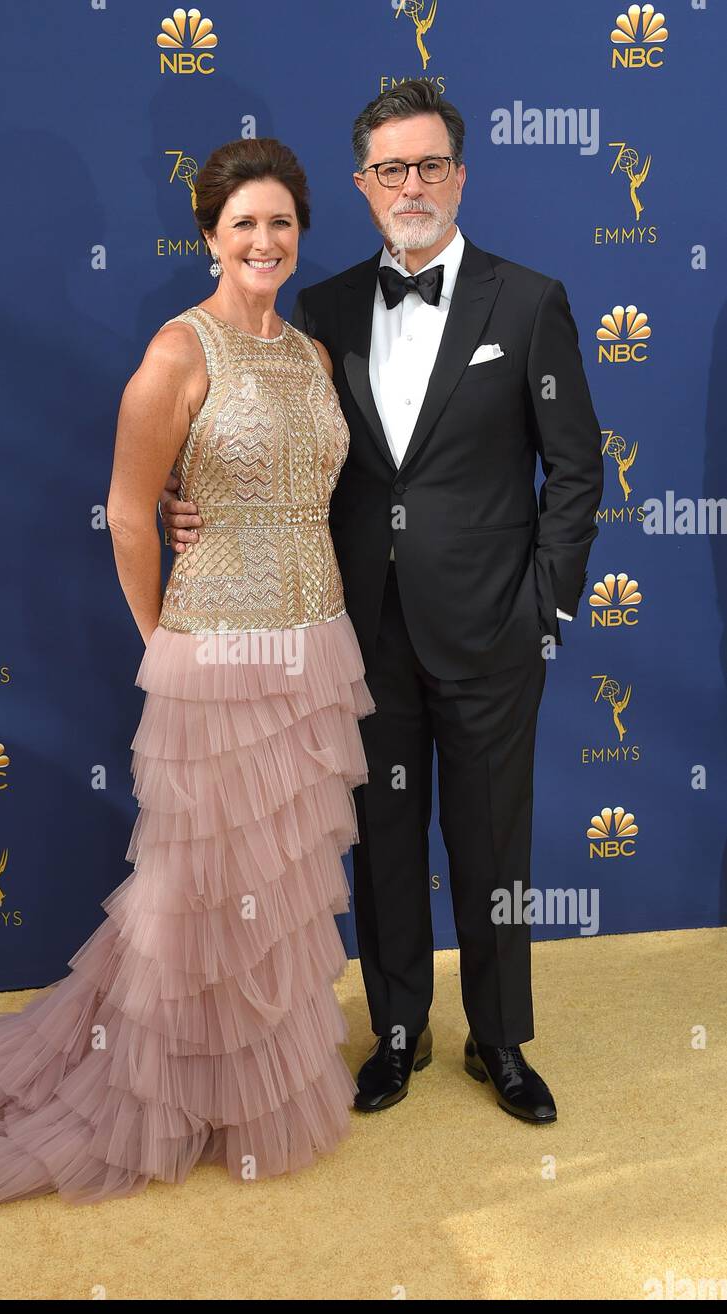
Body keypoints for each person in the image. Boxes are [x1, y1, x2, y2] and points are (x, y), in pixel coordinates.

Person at [0, 137, 377, 1207]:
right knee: (198, 893)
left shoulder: (308, 358)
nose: (262, 241)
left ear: (299, 229)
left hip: (310, 642)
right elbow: (131, 511)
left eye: (278, 221)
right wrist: (156, 636)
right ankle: (159, 1094)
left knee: (276, 887)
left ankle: (248, 1091)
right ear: (207, 236)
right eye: (241, 224)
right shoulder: (179, 351)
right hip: (213, 650)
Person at [162, 81, 604, 1125]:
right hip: (358, 628)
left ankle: (497, 1038)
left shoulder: (528, 300)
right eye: (389, 169)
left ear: (460, 173)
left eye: (429, 165)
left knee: (493, 845)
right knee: (384, 836)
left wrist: (543, 605)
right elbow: (272, 454)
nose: (411, 185)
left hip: (492, 624)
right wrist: (196, 515)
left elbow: (575, 471)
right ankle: (396, 1028)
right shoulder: (319, 313)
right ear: (362, 186)